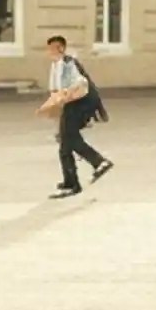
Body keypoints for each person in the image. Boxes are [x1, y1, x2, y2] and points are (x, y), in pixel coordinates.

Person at [37, 36, 113, 199]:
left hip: (80, 103)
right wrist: (50, 107)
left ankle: (98, 162)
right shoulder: (56, 65)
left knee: (69, 139)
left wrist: (61, 99)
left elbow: (79, 83)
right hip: (73, 104)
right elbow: (56, 93)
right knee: (65, 142)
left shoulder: (67, 63)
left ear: (61, 48)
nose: (49, 52)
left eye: (53, 48)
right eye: (49, 48)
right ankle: (72, 182)